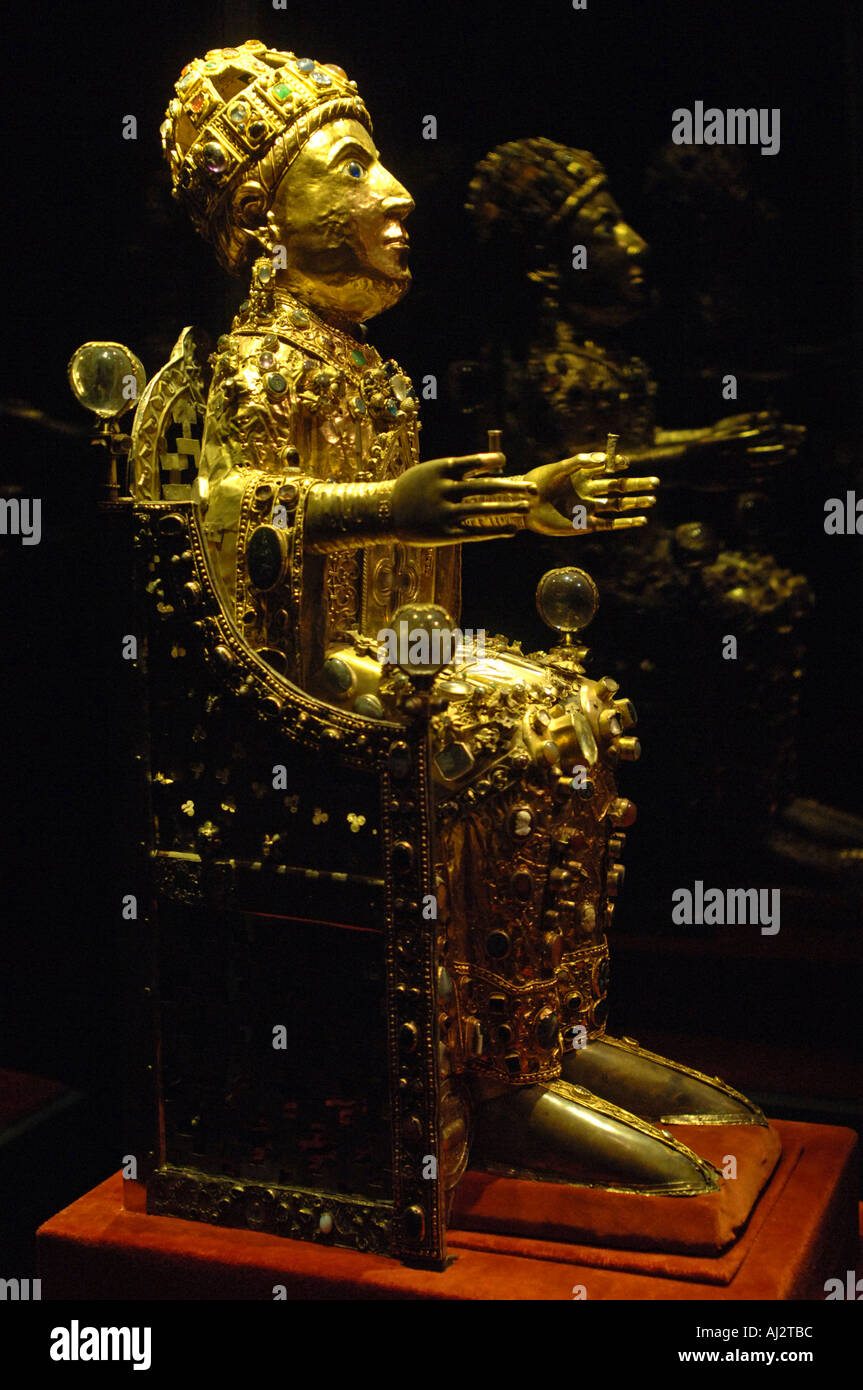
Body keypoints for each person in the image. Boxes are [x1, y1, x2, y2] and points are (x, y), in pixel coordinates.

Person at [160, 43, 772, 1212]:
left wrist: (529, 501)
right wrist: (379, 504)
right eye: (350, 167)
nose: (391, 191)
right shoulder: (255, 365)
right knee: (512, 728)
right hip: (303, 679)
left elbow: (408, 565)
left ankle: (543, 1024)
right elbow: (234, 520)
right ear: (263, 214)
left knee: (572, 707)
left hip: (388, 650)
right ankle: (490, 1072)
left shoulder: (376, 377)